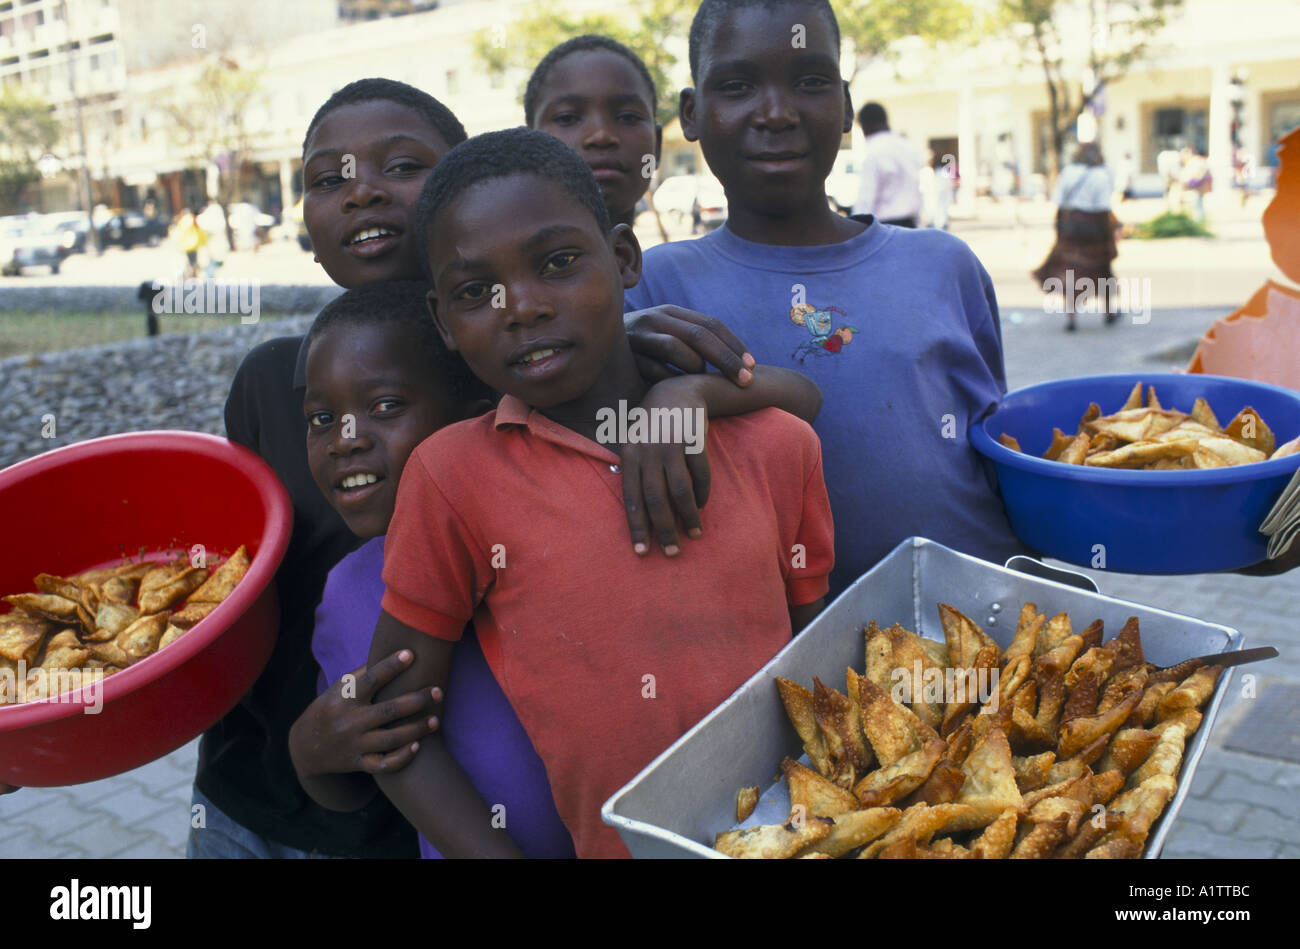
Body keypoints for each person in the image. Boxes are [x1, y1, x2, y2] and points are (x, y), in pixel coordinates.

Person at [365, 127, 835, 859]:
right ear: (443, 322)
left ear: (622, 259)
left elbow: (826, 671)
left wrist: (688, 393)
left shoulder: (774, 447)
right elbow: (390, 722)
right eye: (474, 291)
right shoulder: (451, 477)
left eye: (557, 263)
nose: (520, 305)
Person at [626, 0, 1025, 597]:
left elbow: (1001, 457)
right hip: (788, 657)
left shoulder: (944, 266)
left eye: (810, 82)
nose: (777, 113)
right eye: (737, 86)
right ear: (692, 113)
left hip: (985, 633)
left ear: (844, 106)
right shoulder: (654, 291)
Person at [196, 78, 469, 859]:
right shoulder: (266, 382)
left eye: (403, 166)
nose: (363, 194)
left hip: (417, 822)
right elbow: (217, 595)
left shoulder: (516, 384)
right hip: (245, 798)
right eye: (329, 179)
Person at [287, 281, 575, 858]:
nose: (344, 440)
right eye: (321, 418)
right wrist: (309, 758)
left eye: (385, 406)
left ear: (474, 422)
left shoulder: (551, 526)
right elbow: (375, 759)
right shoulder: (352, 592)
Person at [526, 35, 660, 229]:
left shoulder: (674, 260)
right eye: (567, 118)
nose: (602, 136)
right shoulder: (491, 257)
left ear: (657, 148)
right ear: (529, 147)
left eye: (628, 117)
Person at [1032, 142, 1118, 332]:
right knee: (1101, 270)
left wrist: (1060, 230)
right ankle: (1108, 312)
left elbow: (1059, 202)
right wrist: (1109, 238)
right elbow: (1103, 209)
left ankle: (1071, 319)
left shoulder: (1068, 172)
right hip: (1093, 227)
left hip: (1070, 227)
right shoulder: (1100, 175)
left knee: (1069, 272)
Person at [851, 102, 922, 227]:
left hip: (884, 227)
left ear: (866, 124)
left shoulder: (872, 151)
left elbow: (866, 198)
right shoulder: (908, 146)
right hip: (910, 224)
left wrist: (855, 226)